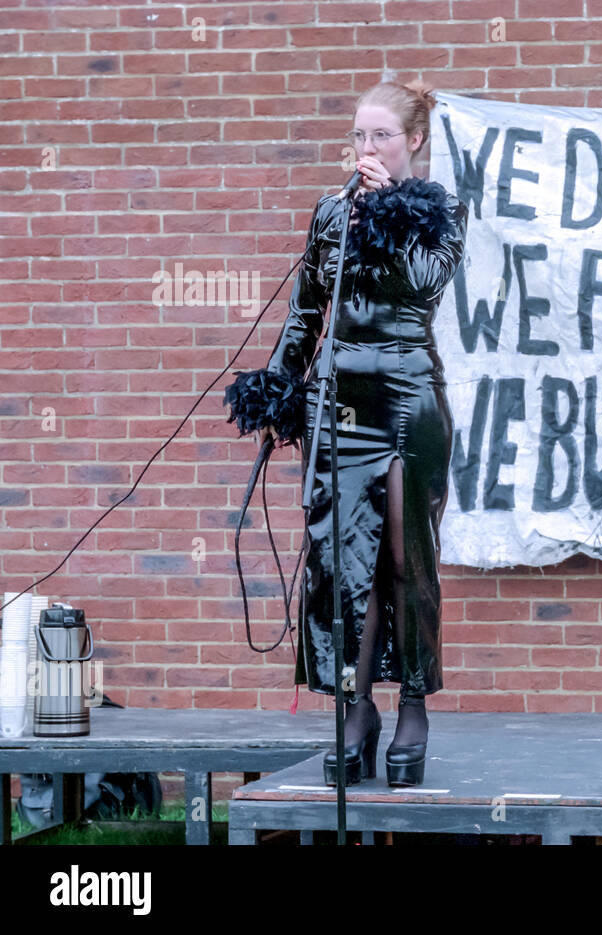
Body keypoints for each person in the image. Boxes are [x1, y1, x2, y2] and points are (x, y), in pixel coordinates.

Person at [226, 79, 469, 788]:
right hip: (339, 401)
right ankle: (354, 708)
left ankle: (414, 707)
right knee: (339, 561)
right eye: (359, 136)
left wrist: (387, 204)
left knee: (403, 557)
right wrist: (277, 385)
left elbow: (423, 283)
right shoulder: (330, 213)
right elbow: (305, 313)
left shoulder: (440, 212)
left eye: (381, 137)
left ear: (413, 141)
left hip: (404, 399)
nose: (366, 148)